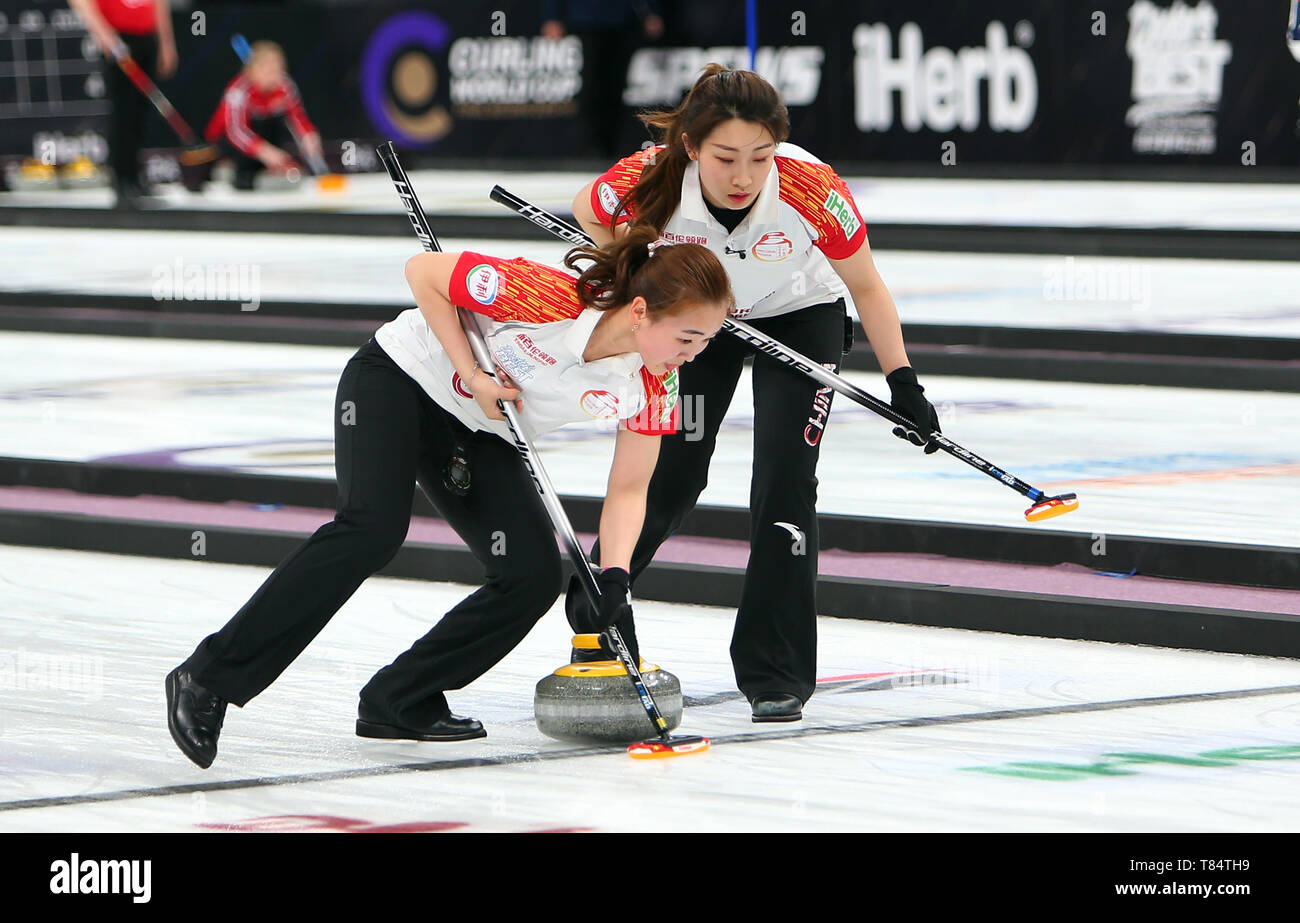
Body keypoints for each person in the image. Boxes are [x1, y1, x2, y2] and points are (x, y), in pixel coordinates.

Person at [164, 225, 733, 769]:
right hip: (402, 379)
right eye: (687, 337)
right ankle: (209, 676)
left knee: (530, 575)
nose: (694, 354)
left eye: (706, 341)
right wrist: (472, 373)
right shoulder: (551, 296)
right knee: (372, 529)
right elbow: (424, 272)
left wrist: (615, 575)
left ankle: (400, 698)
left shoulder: (657, 383)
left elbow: (630, 488)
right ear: (640, 312)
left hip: (481, 431)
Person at [565, 64, 941, 723]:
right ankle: (599, 617)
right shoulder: (653, 175)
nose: (743, 176)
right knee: (672, 471)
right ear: (690, 148)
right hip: (698, 319)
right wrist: (634, 270)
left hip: (800, 314)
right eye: (725, 158)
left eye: (760, 158)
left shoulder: (808, 187)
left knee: (785, 480)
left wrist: (902, 380)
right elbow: (587, 212)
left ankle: (776, 671)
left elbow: (868, 285)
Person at [69, 0, 177, 208]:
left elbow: (159, 4)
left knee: (141, 113)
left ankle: (136, 178)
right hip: (120, 38)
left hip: (146, 36)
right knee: (123, 112)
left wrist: (166, 43)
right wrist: (106, 37)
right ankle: (122, 181)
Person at [204, 40, 322, 190]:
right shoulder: (239, 90)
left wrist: (309, 137)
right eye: (269, 70)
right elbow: (235, 131)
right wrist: (265, 152)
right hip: (228, 141)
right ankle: (230, 169)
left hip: (261, 133)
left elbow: (297, 118)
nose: (276, 75)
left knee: (275, 125)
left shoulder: (285, 85)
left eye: (279, 69)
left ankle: (265, 171)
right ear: (253, 70)